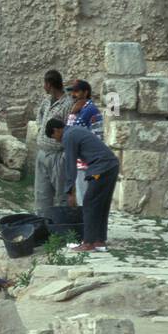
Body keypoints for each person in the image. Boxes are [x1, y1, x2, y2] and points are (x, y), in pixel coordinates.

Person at [46, 117, 120, 253]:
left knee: (89, 203)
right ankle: (99, 240)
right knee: (102, 204)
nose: (57, 140)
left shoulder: (68, 136)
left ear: (56, 130)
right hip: (111, 165)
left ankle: (88, 242)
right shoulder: (75, 130)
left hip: (101, 169)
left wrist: (69, 191)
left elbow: (70, 165)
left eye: (54, 137)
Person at [32, 69, 75, 214]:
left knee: (62, 195)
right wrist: (40, 130)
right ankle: (43, 227)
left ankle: (63, 230)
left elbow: (70, 128)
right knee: (41, 195)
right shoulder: (46, 102)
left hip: (58, 156)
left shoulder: (68, 104)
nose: (43, 86)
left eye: (44, 83)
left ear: (49, 84)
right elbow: (39, 117)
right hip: (42, 154)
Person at [65, 79, 104, 207]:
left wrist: (72, 113)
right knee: (82, 197)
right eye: (72, 92)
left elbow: (73, 132)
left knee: (86, 199)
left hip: (88, 163)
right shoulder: (80, 109)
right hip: (81, 162)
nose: (73, 95)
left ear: (85, 92)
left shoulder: (90, 110)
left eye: (76, 92)